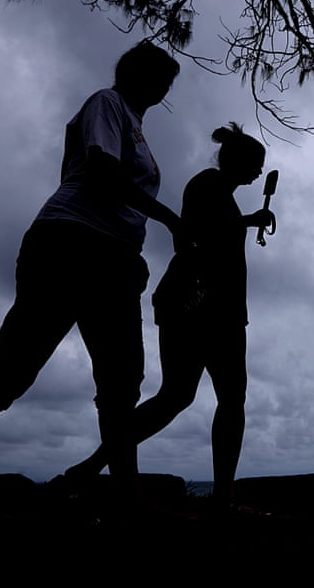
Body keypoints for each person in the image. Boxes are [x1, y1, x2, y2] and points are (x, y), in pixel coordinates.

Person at [0, 41, 184, 495]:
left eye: (168, 82)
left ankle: (126, 499)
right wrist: (169, 219)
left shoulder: (136, 127)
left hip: (116, 259)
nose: (164, 88)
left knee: (122, 382)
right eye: (160, 78)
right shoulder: (108, 102)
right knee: (13, 369)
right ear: (136, 75)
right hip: (71, 242)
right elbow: (101, 168)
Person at [66, 124, 274, 501]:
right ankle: (221, 496)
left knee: (191, 396)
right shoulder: (207, 184)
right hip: (199, 302)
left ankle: (95, 464)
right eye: (256, 165)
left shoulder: (221, 193)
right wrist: (246, 222)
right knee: (199, 397)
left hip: (208, 304)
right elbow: (196, 232)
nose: (259, 173)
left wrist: (246, 221)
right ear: (239, 162)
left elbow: (210, 231)